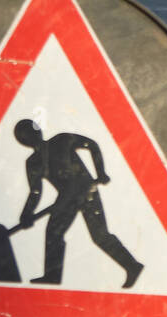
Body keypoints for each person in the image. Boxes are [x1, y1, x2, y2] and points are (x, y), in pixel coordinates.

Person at [13, 119, 143, 288]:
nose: (31, 137)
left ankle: (132, 266)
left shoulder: (61, 140)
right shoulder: (33, 162)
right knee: (53, 233)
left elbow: (91, 144)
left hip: (86, 190)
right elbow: (36, 191)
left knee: (99, 235)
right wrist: (27, 213)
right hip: (66, 198)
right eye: (26, 136)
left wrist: (100, 171)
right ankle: (52, 276)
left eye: (30, 133)